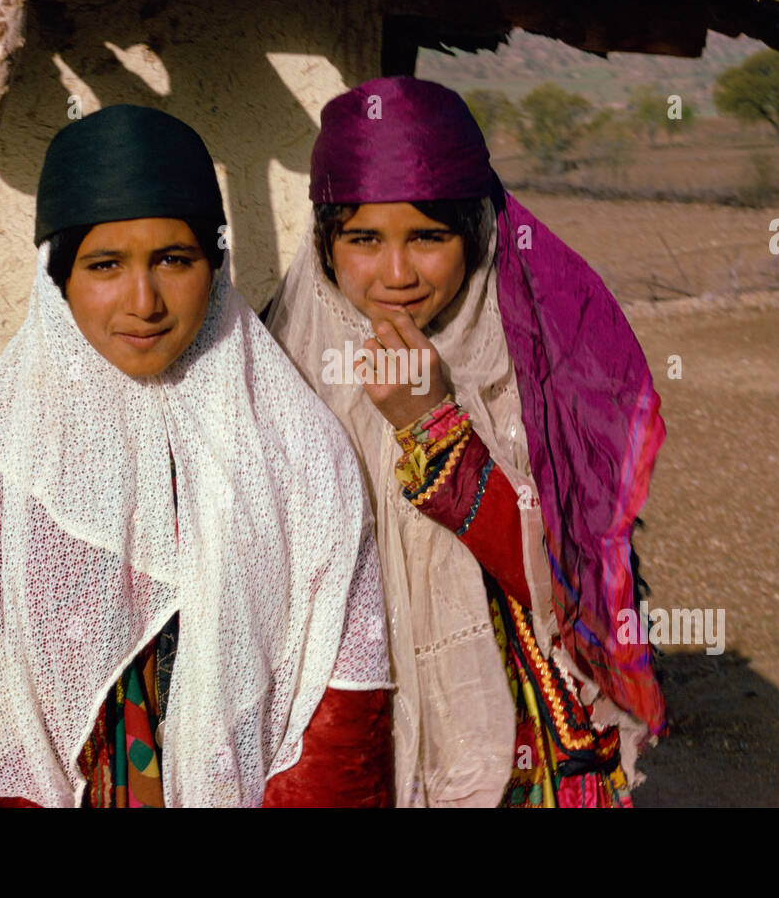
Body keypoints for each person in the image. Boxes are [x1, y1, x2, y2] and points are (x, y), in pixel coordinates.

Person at [0, 104, 392, 808]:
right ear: (58, 279)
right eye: (105, 264)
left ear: (215, 264)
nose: (143, 300)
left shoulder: (296, 446)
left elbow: (346, 691)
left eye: (174, 259)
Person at [266, 77, 667, 808]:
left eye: (429, 236)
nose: (397, 273)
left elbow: (569, 583)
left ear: (477, 234)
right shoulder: (277, 367)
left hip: (515, 730)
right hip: (338, 737)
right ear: (324, 243)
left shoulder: (536, 369)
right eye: (364, 239)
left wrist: (431, 422)